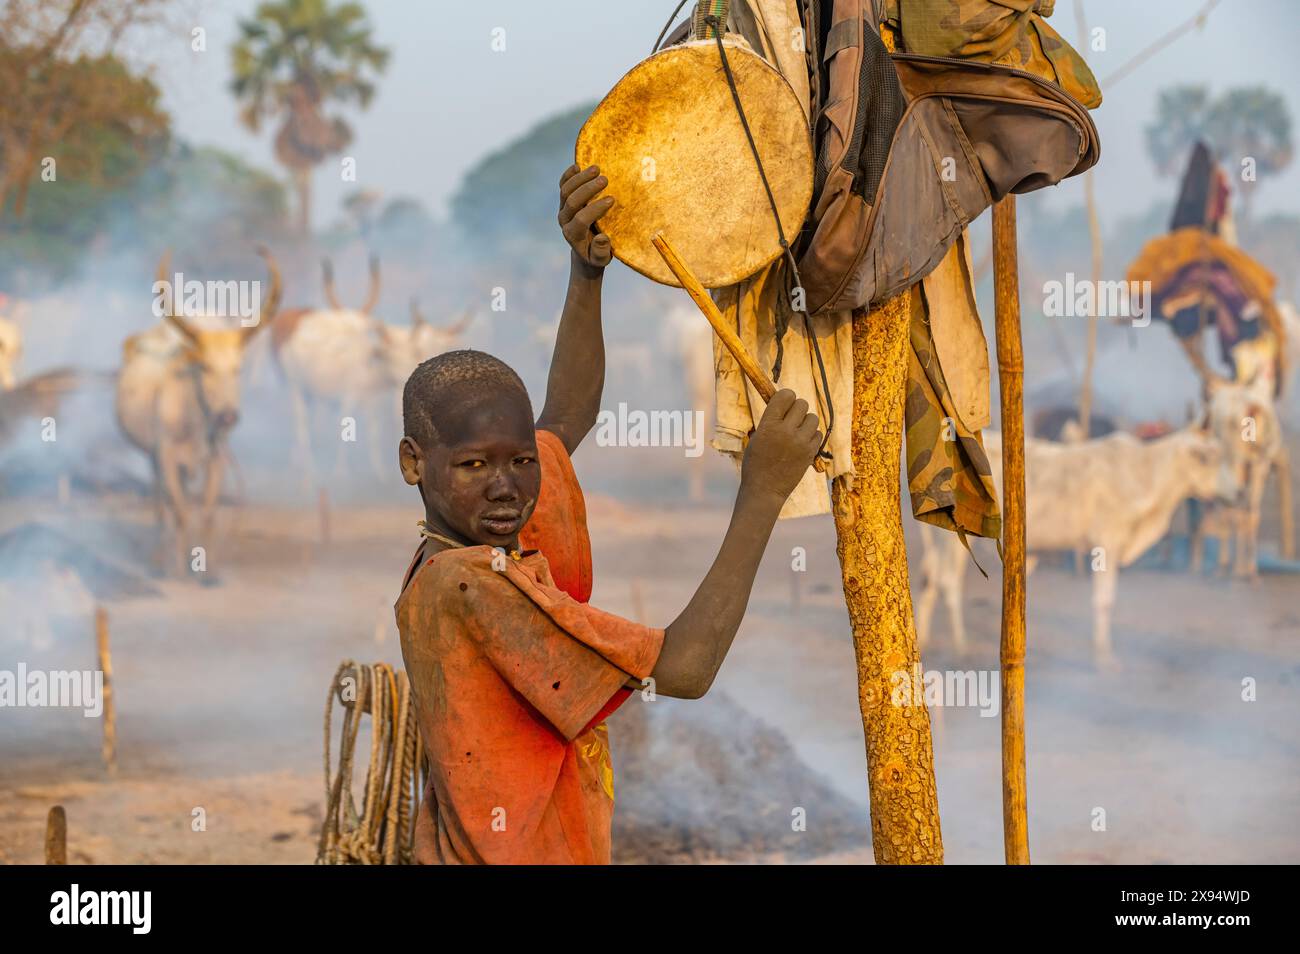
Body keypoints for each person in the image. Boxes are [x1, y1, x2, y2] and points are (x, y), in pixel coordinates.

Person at [394, 164, 821, 864]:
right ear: (415, 462)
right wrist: (762, 493)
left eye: (520, 461)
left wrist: (586, 273)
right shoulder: (472, 585)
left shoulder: (465, 534)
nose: (506, 487)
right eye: (474, 466)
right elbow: (685, 668)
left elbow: (566, 414)